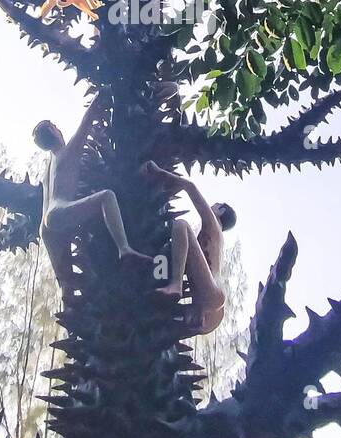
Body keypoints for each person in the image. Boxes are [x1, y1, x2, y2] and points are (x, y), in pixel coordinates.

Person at [34, 99, 151, 285]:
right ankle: (124, 248)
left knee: (67, 286)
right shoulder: (67, 152)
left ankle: (68, 296)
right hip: (59, 212)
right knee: (107, 196)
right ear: (52, 132)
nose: (59, 129)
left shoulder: (50, 166)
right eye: (55, 127)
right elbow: (87, 120)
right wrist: (101, 97)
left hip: (46, 226)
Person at [141, 161, 235, 335]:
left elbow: (190, 186)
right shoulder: (213, 239)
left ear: (221, 210)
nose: (211, 206)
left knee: (181, 225)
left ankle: (175, 285)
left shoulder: (214, 225)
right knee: (156, 317)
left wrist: (161, 173)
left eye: (215, 205)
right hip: (209, 309)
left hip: (211, 294)